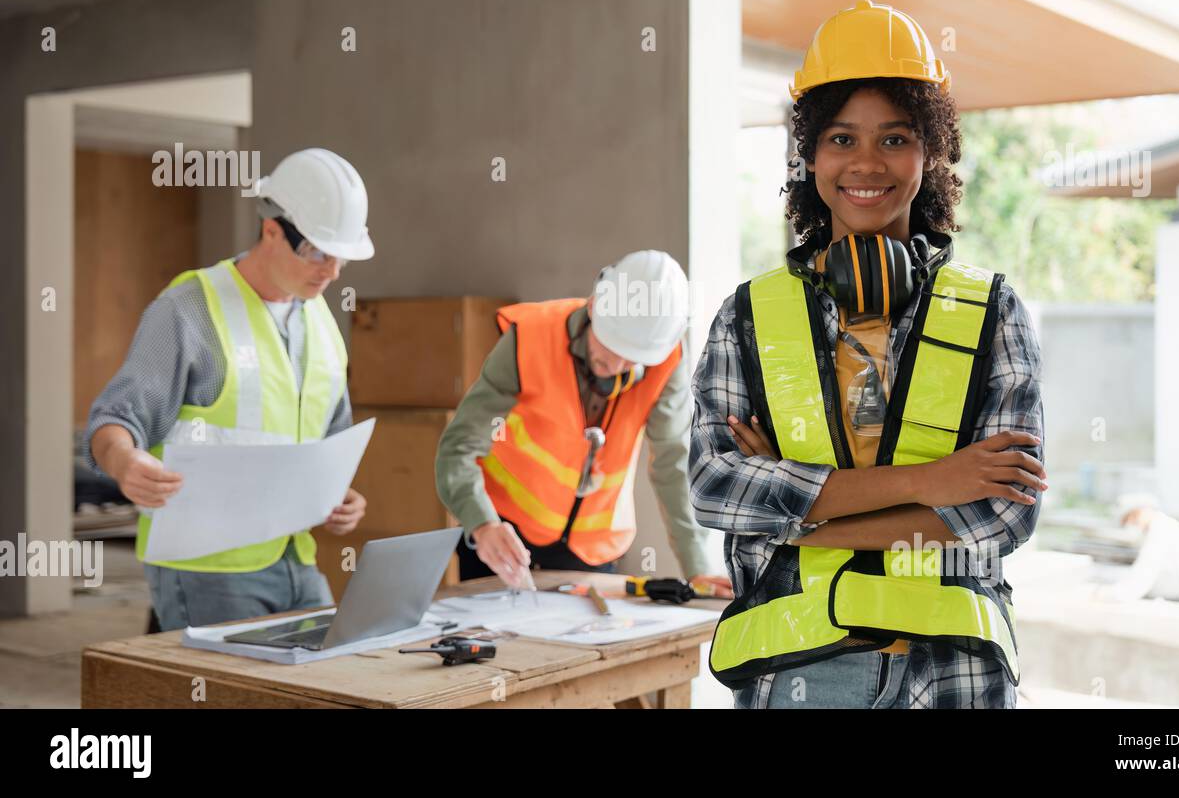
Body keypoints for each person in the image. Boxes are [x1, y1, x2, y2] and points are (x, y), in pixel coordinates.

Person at [690, 0, 1047, 708]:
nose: (865, 164)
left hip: (953, 676)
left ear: (929, 153)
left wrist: (803, 518)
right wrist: (936, 482)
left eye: (894, 139)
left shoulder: (991, 311)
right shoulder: (749, 316)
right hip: (800, 671)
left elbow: (1005, 514)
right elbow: (714, 487)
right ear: (811, 155)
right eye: (841, 138)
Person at [87, 148, 373, 630]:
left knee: (325, 688)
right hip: (206, 565)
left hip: (295, 557)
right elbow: (116, 417)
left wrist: (339, 494)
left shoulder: (321, 321)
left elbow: (326, 442)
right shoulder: (188, 309)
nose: (331, 272)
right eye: (318, 252)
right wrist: (123, 461)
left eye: (341, 256)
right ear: (272, 231)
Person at [436, 250, 732, 598]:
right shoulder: (529, 339)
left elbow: (674, 464)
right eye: (611, 346)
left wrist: (697, 567)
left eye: (632, 357)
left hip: (591, 552)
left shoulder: (665, 364)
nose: (618, 364)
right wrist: (481, 523)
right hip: (501, 535)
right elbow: (458, 448)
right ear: (593, 307)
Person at [1094, 493, 1179, 605]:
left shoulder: (1161, 532)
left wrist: (1105, 595)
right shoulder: (1163, 526)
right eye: (1127, 521)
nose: (1131, 522)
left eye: (1133, 516)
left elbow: (1141, 579)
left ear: (1145, 509)